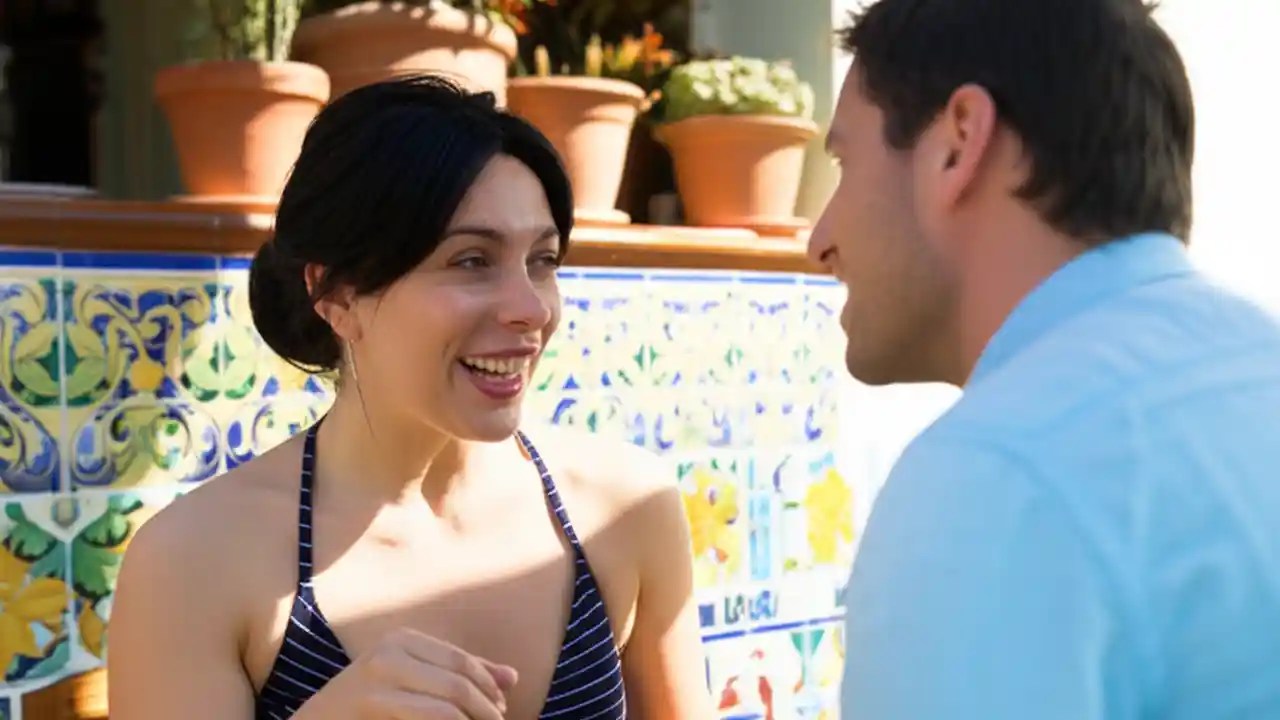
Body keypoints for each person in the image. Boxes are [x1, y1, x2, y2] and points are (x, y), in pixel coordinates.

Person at [108, 76, 713, 720]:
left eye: (542, 260)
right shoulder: (193, 561)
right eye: (472, 261)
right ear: (337, 296)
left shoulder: (626, 508)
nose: (531, 309)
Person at [809, 0, 1280, 718]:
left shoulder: (992, 478)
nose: (819, 239)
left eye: (844, 163)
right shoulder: (1254, 373)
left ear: (958, 142)